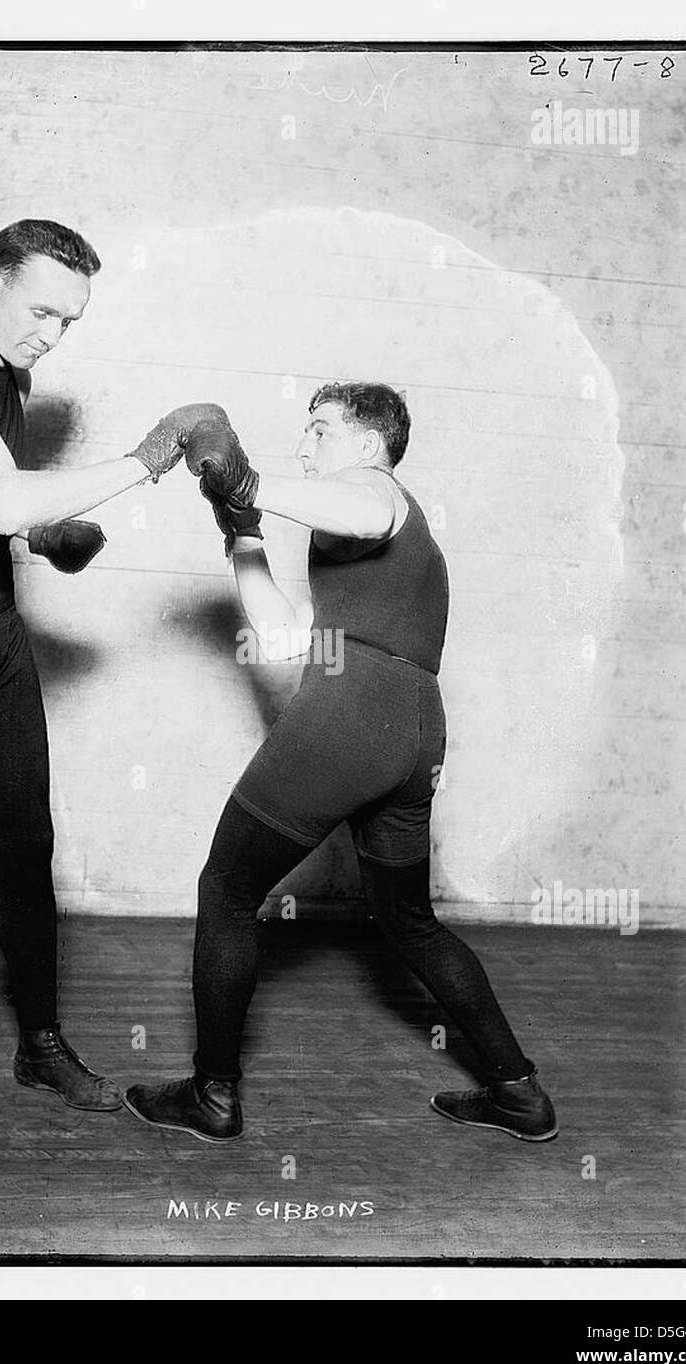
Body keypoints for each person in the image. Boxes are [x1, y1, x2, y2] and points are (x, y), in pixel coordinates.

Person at [123, 382, 558, 1143]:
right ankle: (517, 1091)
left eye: (320, 430)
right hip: (414, 731)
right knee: (408, 918)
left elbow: (364, 508)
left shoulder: (374, 490)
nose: (306, 445)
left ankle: (213, 1094)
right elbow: (286, 635)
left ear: (366, 443)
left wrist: (252, 483)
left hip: (349, 717)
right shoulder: (356, 544)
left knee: (226, 890)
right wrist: (242, 533)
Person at [0, 217, 226, 1110]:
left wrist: (47, 532)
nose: (48, 336)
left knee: (27, 845)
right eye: (39, 310)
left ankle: (41, 1046)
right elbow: (3, 492)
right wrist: (145, 460)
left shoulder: (5, 375)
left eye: (69, 322)